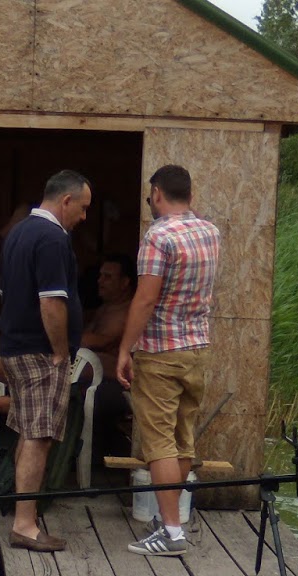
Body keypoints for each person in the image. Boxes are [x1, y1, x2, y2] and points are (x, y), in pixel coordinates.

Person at [118, 164, 221, 556]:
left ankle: (172, 532)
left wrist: (126, 348)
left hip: (161, 351)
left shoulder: (159, 236)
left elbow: (145, 299)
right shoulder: (210, 232)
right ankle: (170, 521)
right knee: (182, 438)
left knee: (158, 442)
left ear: (157, 193)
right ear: (190, 195)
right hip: (197, 348)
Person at [0, 170, 92, 552]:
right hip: (39, 352)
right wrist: (59, 350)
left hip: (14, 347)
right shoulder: (53, 238)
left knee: (26, 430)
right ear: (65, 200)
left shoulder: (18, 232)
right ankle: (24, 524)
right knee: (38, 436)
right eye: (83, 208)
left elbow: (6, 290)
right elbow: (51, 300)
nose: (84, 217)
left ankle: (24, 515)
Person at [79, 253, 137, 460]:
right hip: (96, 380)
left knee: (89, 399)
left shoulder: (129, 311)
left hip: (119, 386)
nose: (100, 281)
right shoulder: (105, 308)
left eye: (108, 277)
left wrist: (64, 335)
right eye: (100, 276)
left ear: (125, 283)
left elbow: (100, 341)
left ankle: (93, 458)